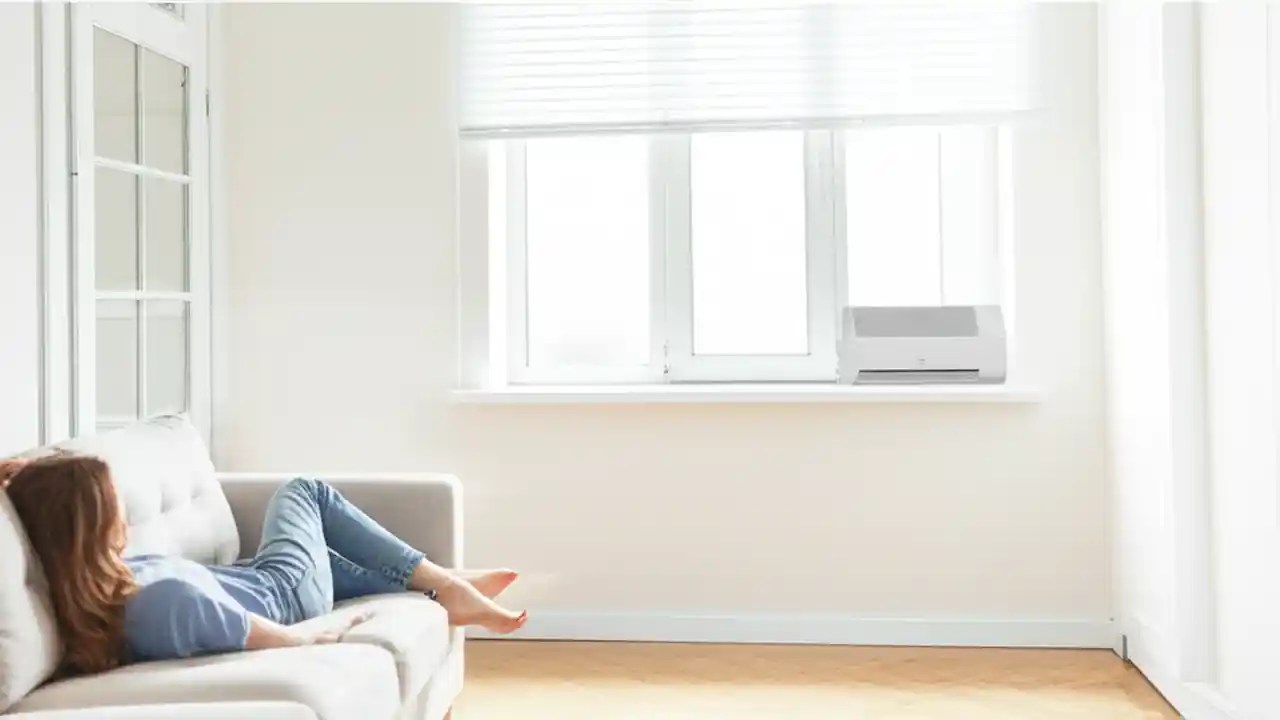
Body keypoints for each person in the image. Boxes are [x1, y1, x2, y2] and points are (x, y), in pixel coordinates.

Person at [0, 454, 526, 676]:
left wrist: (25, 481)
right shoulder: (160, 601)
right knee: (305, 491)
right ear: (88, 524)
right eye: (114, 503)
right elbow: (289, 641)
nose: (125, 512)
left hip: (257, 580)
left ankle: (444, 585)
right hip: (285, 595)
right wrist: (342, 624)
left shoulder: (91, 583)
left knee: (330, 553)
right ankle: (444, 584)